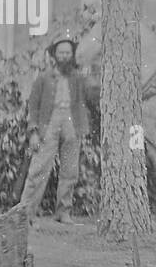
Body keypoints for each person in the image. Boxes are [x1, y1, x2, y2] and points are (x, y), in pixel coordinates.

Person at [16, 32, 97, 223]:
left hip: (72, 122)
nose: (64, 56)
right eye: (60, 53)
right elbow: (33, 106)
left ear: (72, 55)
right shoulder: (43, 78)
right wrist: (34, 132)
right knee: (39, 168)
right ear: (54, 55)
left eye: (68, 53)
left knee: (70, 170)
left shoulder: (78, 78)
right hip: (49, 123)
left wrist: (88, 76)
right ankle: (25, 213)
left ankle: (63, 212)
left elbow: (90, 98)